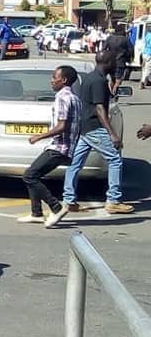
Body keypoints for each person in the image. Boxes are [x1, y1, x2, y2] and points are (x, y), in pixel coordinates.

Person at [62, 50, 134, 214]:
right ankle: (113, 200)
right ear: (108, 63)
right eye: (114, 61)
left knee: (75, 163)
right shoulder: (98, 81)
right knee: (115, 159)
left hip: (85, 127)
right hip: (95, 127)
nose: (116, 64)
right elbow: (100, 108)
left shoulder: (90, 77)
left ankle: (69, 200)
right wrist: (112, 133)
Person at [19, 65, 80, 227]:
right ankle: (36, 213)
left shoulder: (63, 97)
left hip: (60, 147)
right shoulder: (74, 97)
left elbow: (62, 126)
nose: (51, 81)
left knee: (29, 176)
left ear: (64, 80)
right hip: (65, 146)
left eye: (54, 77)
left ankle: (56, 207)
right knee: (33, 175)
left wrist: (39, 136)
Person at [104, 23, 133, 96]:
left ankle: (111, 92)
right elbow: (131, 50)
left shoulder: (109, 38)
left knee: (112, 78)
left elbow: (104, 49)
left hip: (110, 62)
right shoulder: (125, 39)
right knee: (118, 79)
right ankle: (114, 93)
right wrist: (128, 58)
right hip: (120, 61)